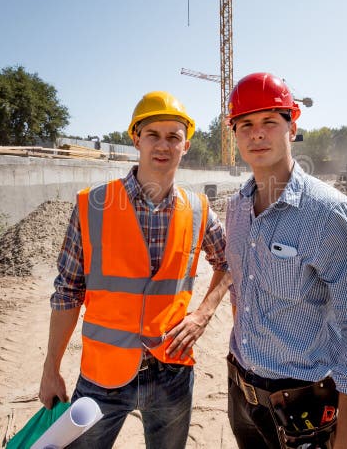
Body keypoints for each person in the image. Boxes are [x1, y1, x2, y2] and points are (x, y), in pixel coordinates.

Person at [39, 91, 232, 449]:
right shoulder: (93, 204)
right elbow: (67, 290)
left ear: (185, 145)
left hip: (171, 371)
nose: (163, 145)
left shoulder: (198, 209)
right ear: (135, 139)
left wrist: (203, 315)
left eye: (173, 137)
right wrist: (51, 368)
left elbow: (229, 262)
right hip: (102, 374)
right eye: (153, 135)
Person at [224, 72, 347, 449]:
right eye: (245, 124)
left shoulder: (328, 214)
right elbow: (241, 295)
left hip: (302, 409)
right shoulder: (235, 209)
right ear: (234, 135)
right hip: (242, 395)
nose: (257, 134)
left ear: (292, 127)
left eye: (269, 122)